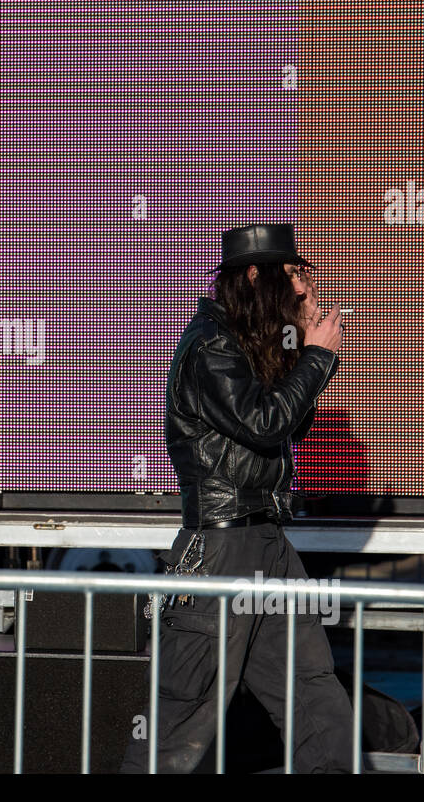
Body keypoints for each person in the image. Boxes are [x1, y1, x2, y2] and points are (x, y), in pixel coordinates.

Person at [120, 223, 354, 773]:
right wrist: (316, 358)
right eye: (294, 275)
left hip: (268, 545)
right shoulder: (211, 344)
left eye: (305, 275)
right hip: (222, 551)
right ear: (255, 275)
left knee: (312, 692)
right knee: (185, 713)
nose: (304, 288)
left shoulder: (248, 341)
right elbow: (264, 422)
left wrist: (303, 352)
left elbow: (283, 427)